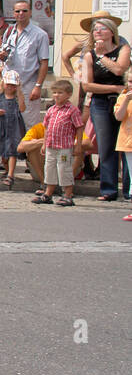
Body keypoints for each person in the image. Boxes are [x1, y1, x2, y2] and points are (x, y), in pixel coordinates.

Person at [79, 11, 130, 202]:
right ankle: (108, 189)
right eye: (95, 29)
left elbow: (119, 69)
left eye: (102, 28)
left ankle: (128, 189)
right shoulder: (89, 56)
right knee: (106, 146)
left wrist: (102, 56)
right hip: (100, 102)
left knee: (125, 145)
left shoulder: (122, 49)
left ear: (112, 31)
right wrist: (114, 87)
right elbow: (87, 85)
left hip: (122, 102)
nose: (98, 32)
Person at [33, 79, 86, 207]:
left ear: (68, 94)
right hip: (52, 145)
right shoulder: (51, 110)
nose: (56, 95)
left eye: (60, 93)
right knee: (49, 169)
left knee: (64, 170)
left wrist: (78, 145)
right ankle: (48, 194)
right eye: (55, 92)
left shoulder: (72, 110)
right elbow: (47, 128)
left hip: (64, 147)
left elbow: (79, 127)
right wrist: (45, 144)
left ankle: (68, 195)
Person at [0, 0, 49, 128]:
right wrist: (1, 56)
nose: (21, 13)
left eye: (24, 11)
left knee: (29, 123)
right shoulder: (9, 32)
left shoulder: (40, 35)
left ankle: (29, 148)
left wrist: (38, 86)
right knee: (7, 122)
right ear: (13, 13)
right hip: (8, 85)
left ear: (30, 12)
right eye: (18, 11)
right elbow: (3, 55)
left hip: (27, 85)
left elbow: (44, 62)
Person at [0, 69, 27, 187]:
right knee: (3, 148)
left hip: (15, 125)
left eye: (13, 85)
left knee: (13, 149)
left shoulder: (17, 97)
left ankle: (10, 175)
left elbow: (22, 109)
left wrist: (20, 94)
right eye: (8, 84)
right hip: (2, 124)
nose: (10, 87)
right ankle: (7, 169)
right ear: (3, 83)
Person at [114, 72, 132, 221]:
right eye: (131, 81)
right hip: (128, 142)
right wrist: (126, 99)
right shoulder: (123, 97)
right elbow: (119, 117)